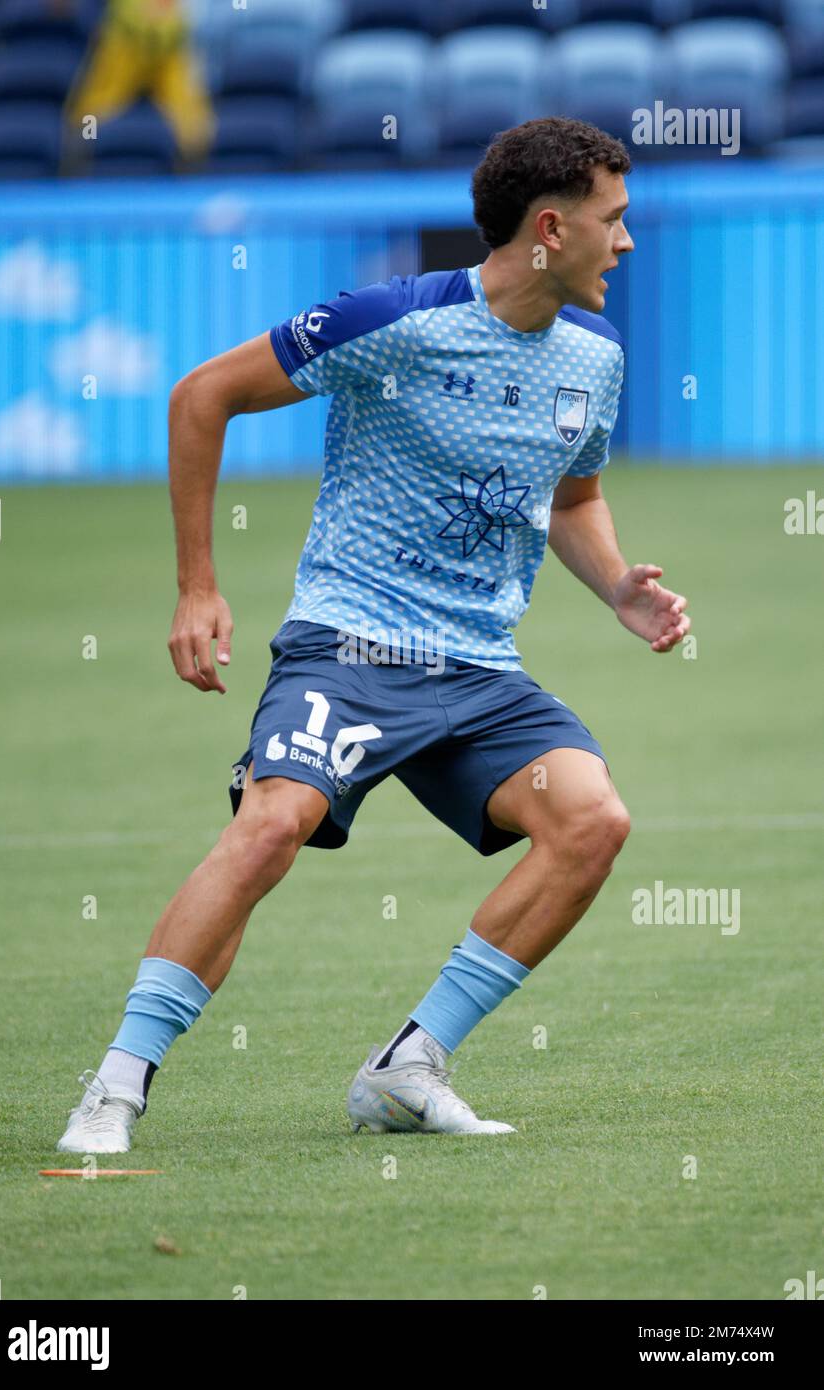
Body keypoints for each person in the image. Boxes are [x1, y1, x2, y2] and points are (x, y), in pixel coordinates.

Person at [56, 117, 691, 1152]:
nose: (625, 243)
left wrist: (616, 585)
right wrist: (196, 588)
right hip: (348, 645)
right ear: (547, 228)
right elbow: (201, 396)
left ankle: (407, 1065)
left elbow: (571, 501)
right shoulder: (391, 321)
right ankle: (115, 1086)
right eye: (611, 220)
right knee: (273, 824)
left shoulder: (594, 356)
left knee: (591, 822)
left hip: (477, 671)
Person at [61, 0, 214, 164]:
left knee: (193, 124)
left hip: (170, 52)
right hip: (123, 47)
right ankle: (75, 164)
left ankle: (195, 171)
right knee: (89, 113)